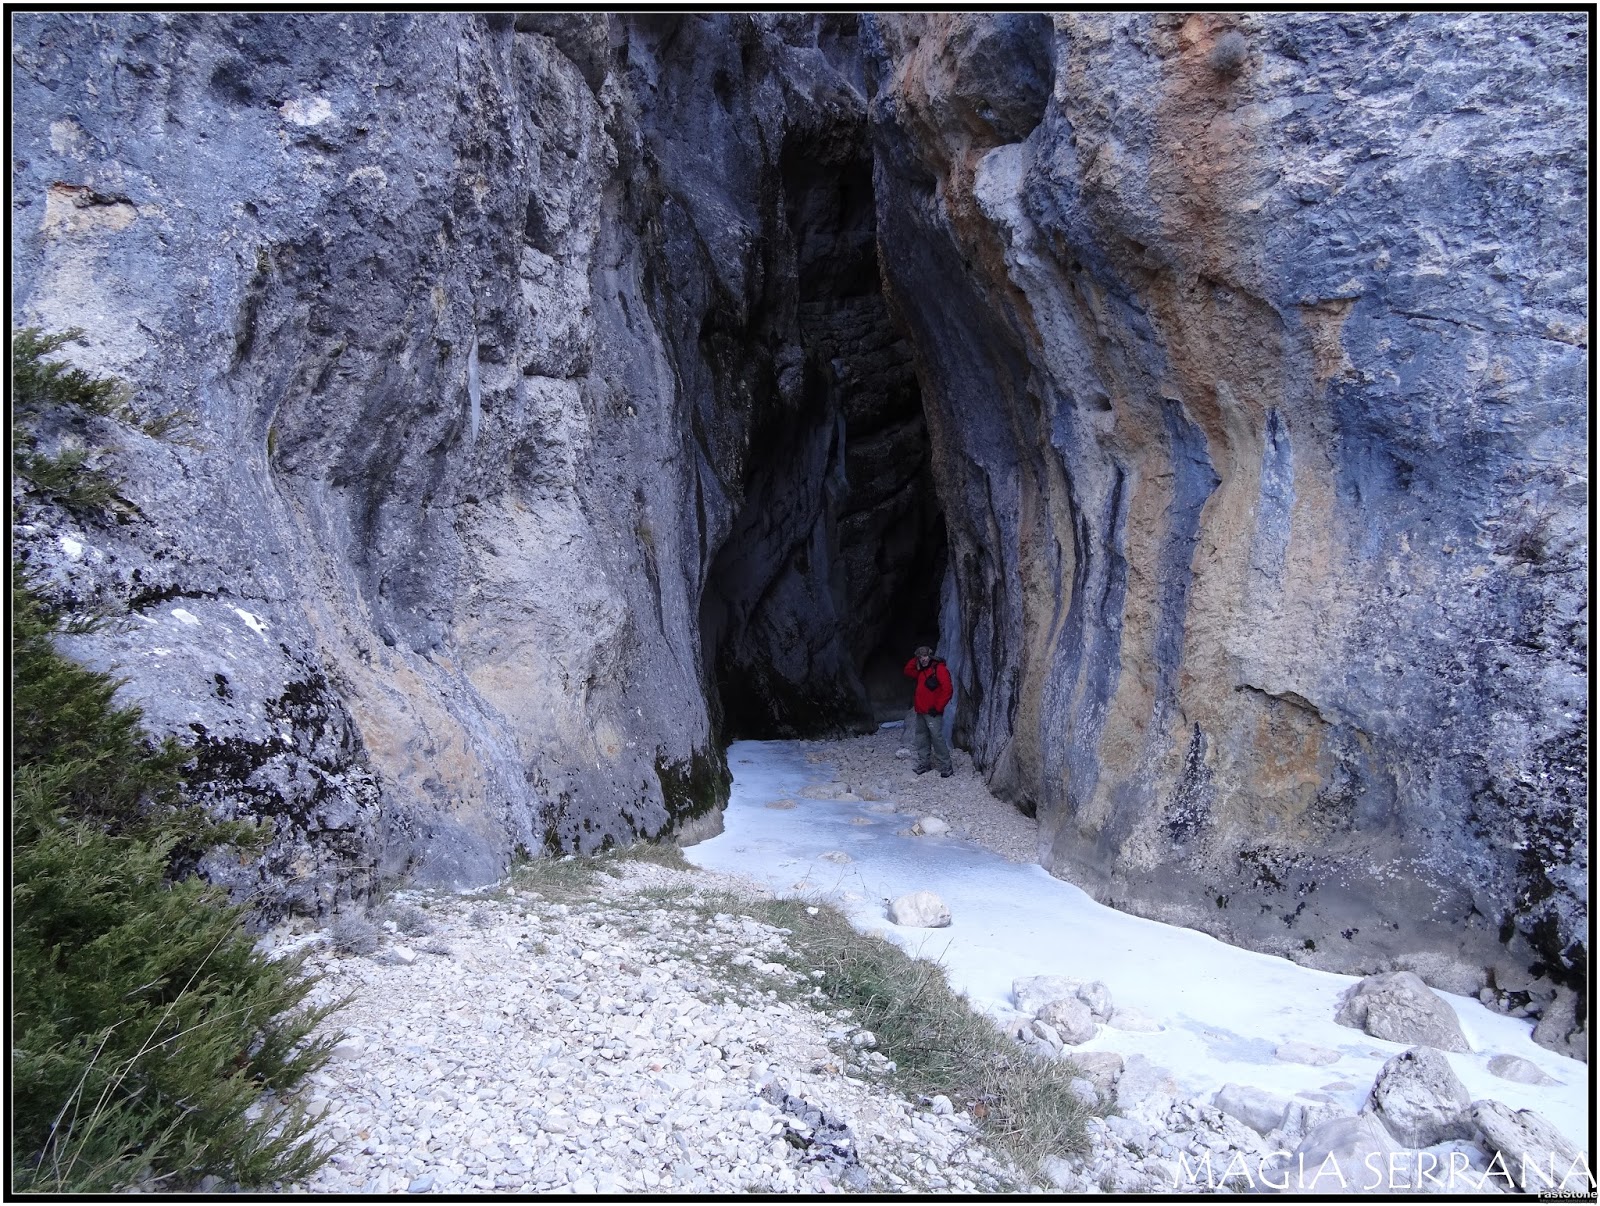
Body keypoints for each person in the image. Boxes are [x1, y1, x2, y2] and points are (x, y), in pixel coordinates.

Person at [903, 645, 953, 777]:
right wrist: (916, 659)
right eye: (920, 657)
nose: (923, 659)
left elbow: (947, 690)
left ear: (930, 655)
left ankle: (946, 766)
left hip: (933, 712)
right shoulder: (920, 670)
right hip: (921, 711)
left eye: (925, 656)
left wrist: (937, 707)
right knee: (921, 737)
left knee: (936, 737)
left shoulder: (939, 669)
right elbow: (908, 670)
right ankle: (924, 764)